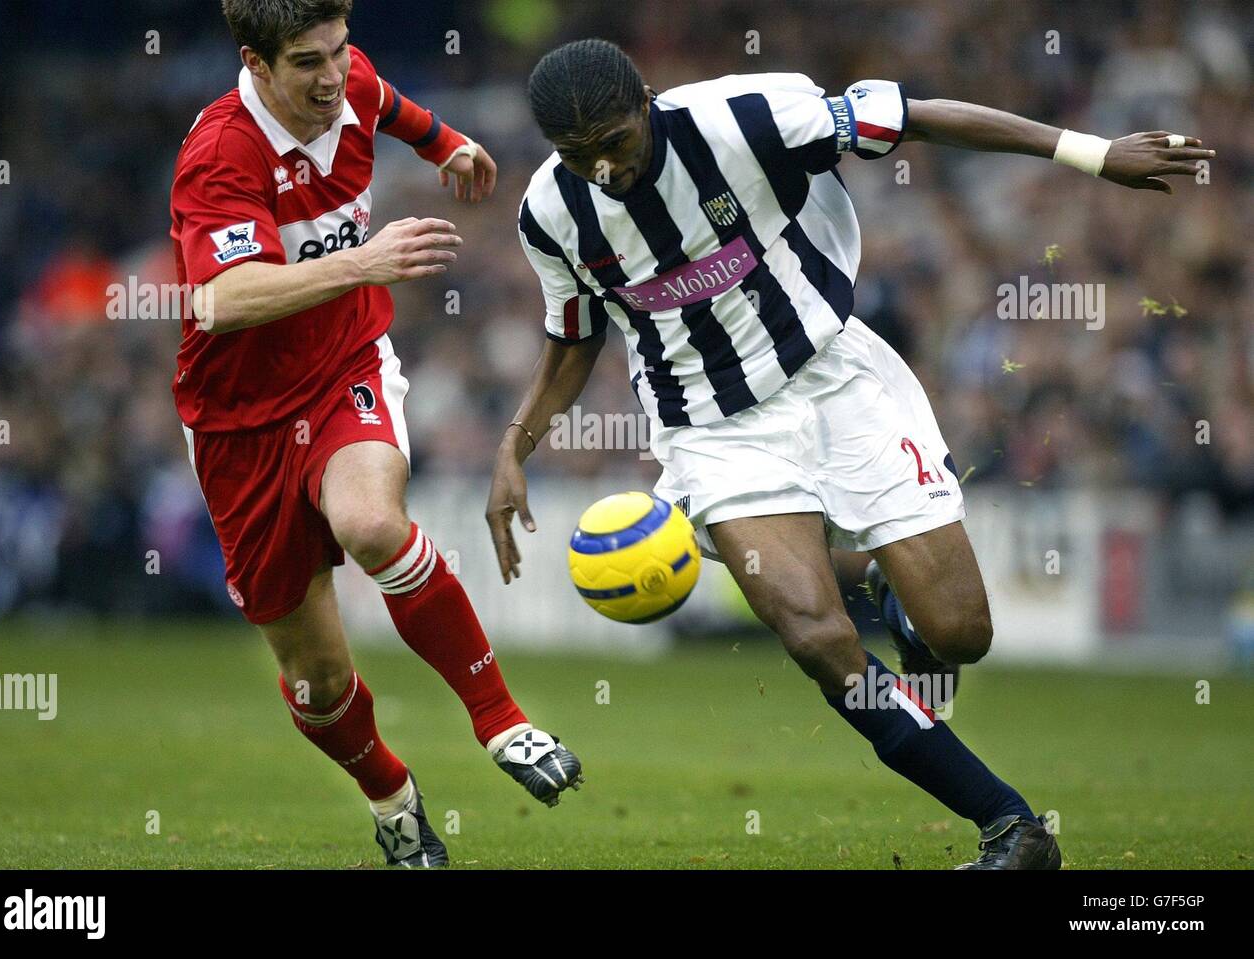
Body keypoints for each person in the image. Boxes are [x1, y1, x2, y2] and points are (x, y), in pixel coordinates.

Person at [487, 38, 1212, 869]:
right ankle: (1011, 827)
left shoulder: (747, 118)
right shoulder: (549, 214)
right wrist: (516, 445)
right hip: (714, 430)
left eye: (615, 144)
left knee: (960, 632)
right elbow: (572, 336)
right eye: (580, 157)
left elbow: (918, 117)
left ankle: (883, 586)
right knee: (812, 632)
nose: (604, 171)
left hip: (835, 378)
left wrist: (1088, 151)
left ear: (646, 102)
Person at [170, 0, 581, 869]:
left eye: (338, 50)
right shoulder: (219, 155)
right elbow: (218, 299)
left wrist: (449, 145)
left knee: (368, 522)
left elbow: (392, 104)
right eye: (306, 64)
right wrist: (364, 260)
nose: (331, 78)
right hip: (239, 422)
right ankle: (393, 797)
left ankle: (502, 721)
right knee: (318, 684)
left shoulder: (346, 79)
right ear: (256, 62)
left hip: (344, 364)